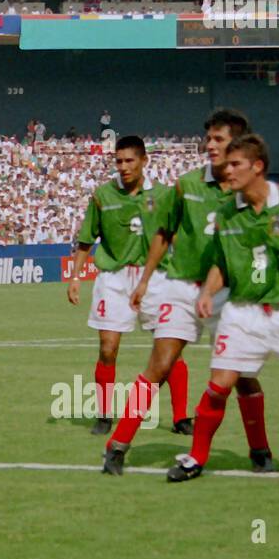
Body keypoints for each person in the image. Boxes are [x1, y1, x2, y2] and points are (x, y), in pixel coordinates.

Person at [167, 134, 279, 483]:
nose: (227, 170)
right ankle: (196, 457)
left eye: (235, 164)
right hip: (242, 311)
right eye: (226, 164)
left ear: (258, 166)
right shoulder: (225, 213)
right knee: (218, 385)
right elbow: (220, 262)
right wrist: (207, 291)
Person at [106, 109, 273, 475]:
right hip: (181, 287)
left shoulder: (250, 193)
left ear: (238, 145)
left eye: (218, 139)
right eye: (208, 138)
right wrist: (147, 280)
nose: (209, 145)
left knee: (241, 375)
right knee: (160, 366)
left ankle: (259, 449)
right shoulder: (186, 185)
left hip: (229, 293)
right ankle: (116, 446)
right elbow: (163, 233)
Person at [67, 135, 172, 435]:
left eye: (129, 160)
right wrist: (75, 277)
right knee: (108, 347)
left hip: (154, 277)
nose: (123, 166)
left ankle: (180, 417)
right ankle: (103, 415)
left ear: (143, 161)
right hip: (113, 278)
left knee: (167, 346)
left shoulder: (163, 195)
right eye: (119, 161)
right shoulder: (103, 195)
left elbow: (174, 235)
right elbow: (86, 240)